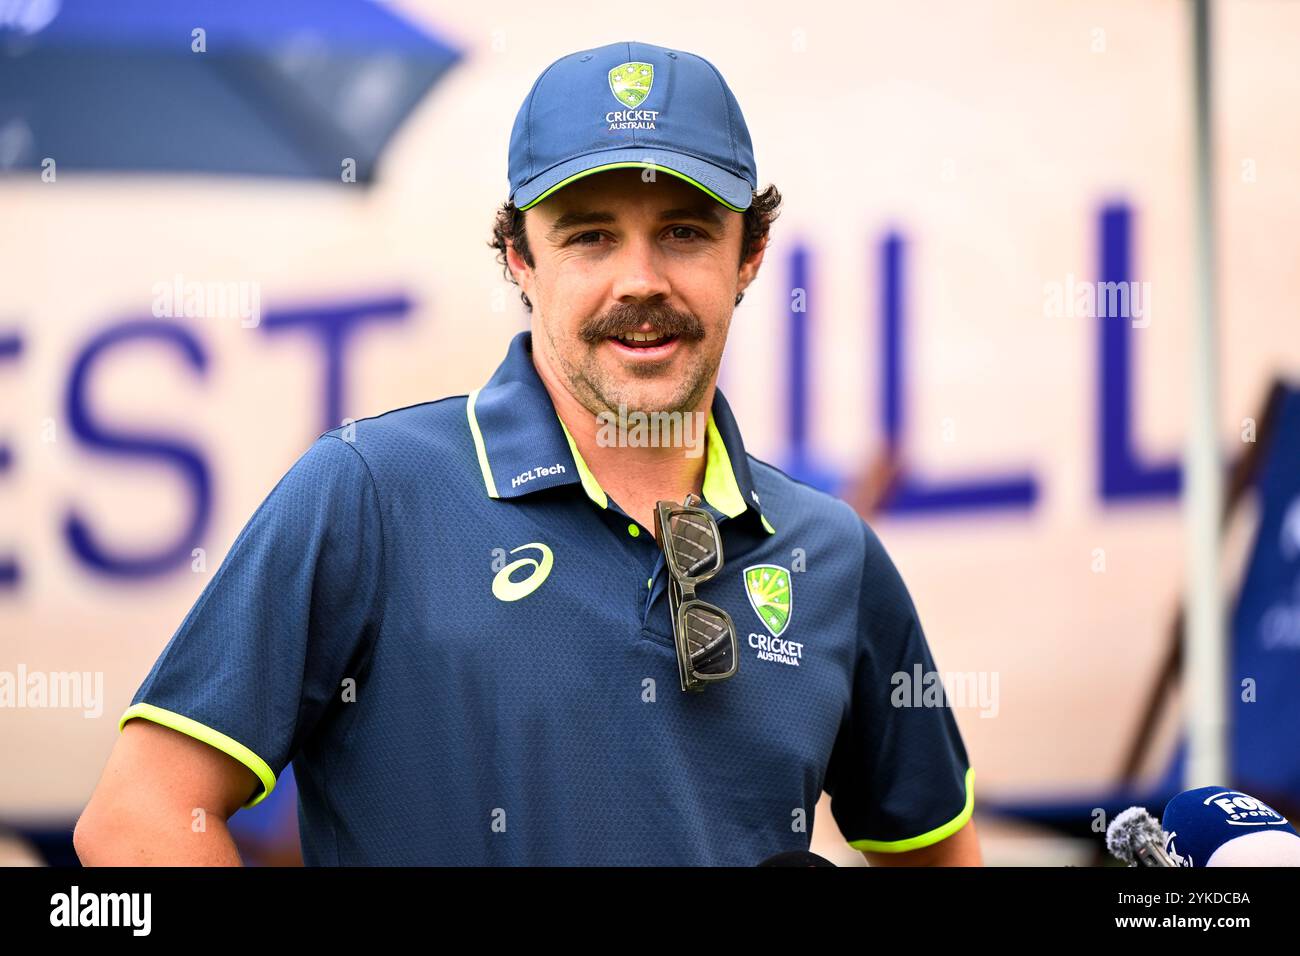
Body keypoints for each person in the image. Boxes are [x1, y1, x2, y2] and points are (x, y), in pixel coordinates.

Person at [75, 40, 979, 866]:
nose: (641, 281)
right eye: (590, 235)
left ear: (751, 254)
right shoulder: (369, 493)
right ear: (519, 257)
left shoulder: (834, 552)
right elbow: (141, 818)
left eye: (687, 230)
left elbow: (938, 854)